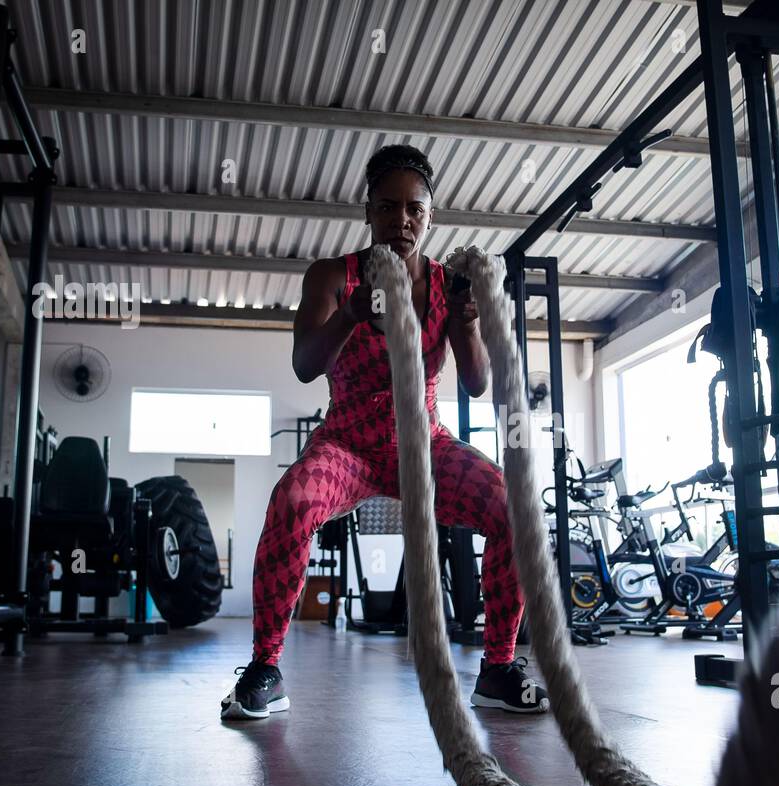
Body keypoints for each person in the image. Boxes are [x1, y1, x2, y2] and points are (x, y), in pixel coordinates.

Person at [221, 144, 548, 719]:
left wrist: (468, 324)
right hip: (348, 443)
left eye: (415, 209)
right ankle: (265, 667)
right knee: (294, 501)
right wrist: (350, 314)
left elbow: (475, 384)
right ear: (367, 210)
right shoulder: (332, 276)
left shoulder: (450, 285)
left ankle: (497, 668)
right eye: (389, 207)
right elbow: (304, 364)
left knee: (511, 506)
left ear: (431, 216)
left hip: (424, 443)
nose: (403, 220)